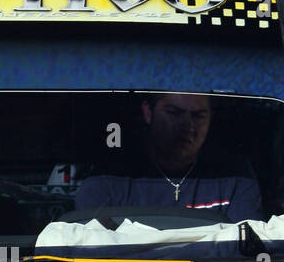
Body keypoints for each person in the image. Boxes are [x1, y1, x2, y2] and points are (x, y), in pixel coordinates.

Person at [74, 93, 263, 224]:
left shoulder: (235, 178)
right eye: (174, 113)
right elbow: (96, 251)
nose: (188, 126)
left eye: (198, 116)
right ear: (148, 112)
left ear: (211, 119)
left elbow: (244, 251)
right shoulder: (108, 180)